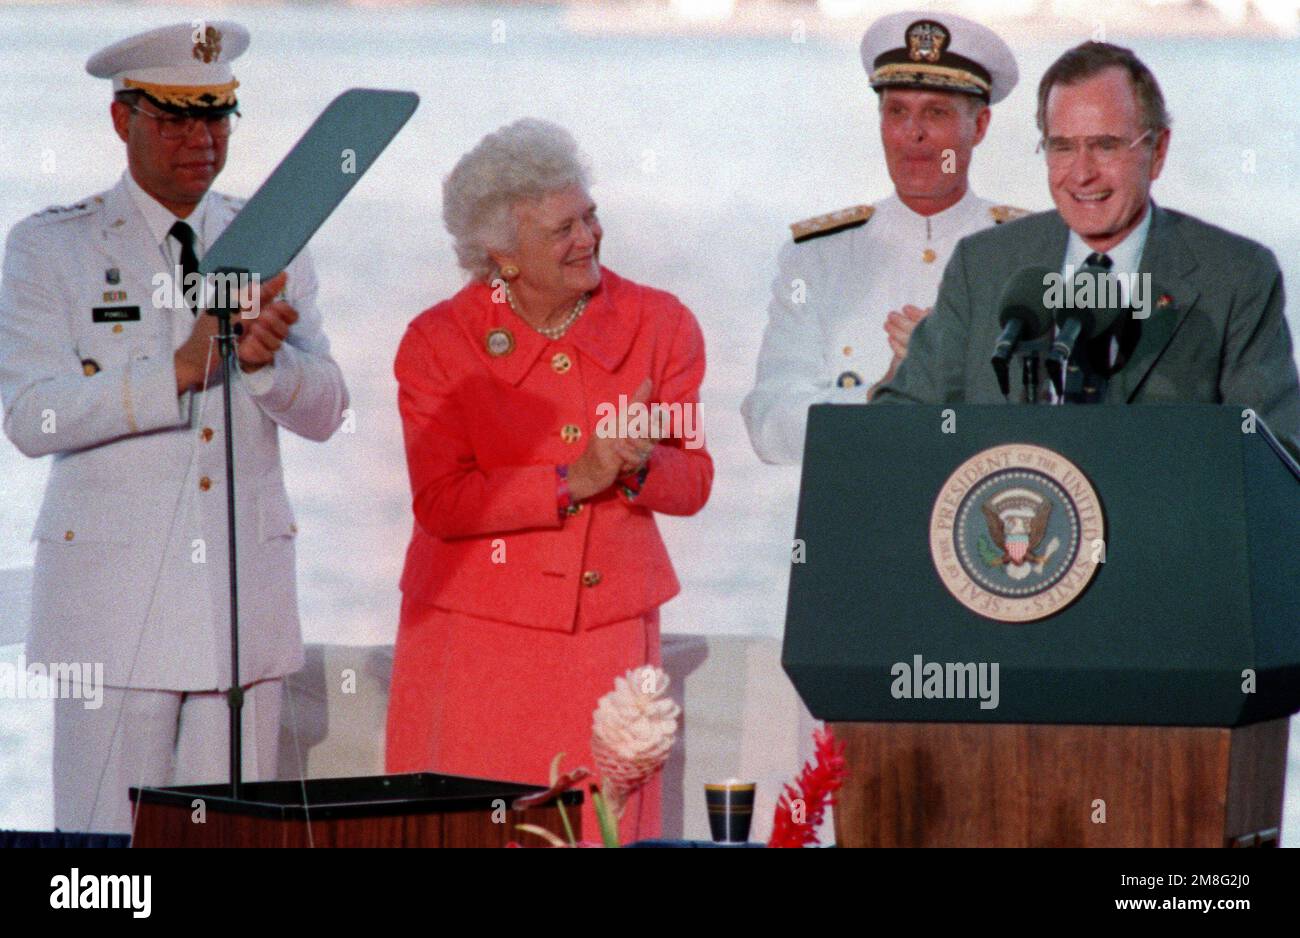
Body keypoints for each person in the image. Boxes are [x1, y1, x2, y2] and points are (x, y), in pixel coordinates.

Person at [0, 21, 349, 833]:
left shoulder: (269, 238)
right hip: (113, 619)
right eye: (176, 119)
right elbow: (29, 415)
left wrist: (267, 367)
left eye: (219, 117)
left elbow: (330, 408)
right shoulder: (55, 247)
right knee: (104, 856)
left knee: (233, 843)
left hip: (241, 612)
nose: (204, 140)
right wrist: (179, 370)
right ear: (123, 120)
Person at [385, 118, 713, 843]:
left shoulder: (661, 326)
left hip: (604, 642)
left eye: (590, 217)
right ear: (502, 255)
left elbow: (692, 482)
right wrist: (571, 478)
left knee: (600, 833)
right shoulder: (437, 343)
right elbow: (442, 502)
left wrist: (638, 466)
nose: (589, 240)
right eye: (563, 229)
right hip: (471, 642)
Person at [872, 41, 1300, 460]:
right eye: (1062, 147)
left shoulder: (1236, 277)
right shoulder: (982, 266)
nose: (1082, 174)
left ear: (1157, 151)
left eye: (1106, 146)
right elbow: (894, 427)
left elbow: (1278, 452)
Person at [742, 10, 1025, 465]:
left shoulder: (1030, 254)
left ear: (980, 127)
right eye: (897, 111)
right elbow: (768, 423)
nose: (913, 135)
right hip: (862, 517)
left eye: (936, 112)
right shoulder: (817, 258)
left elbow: (1066, 413)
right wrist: (880, 398)